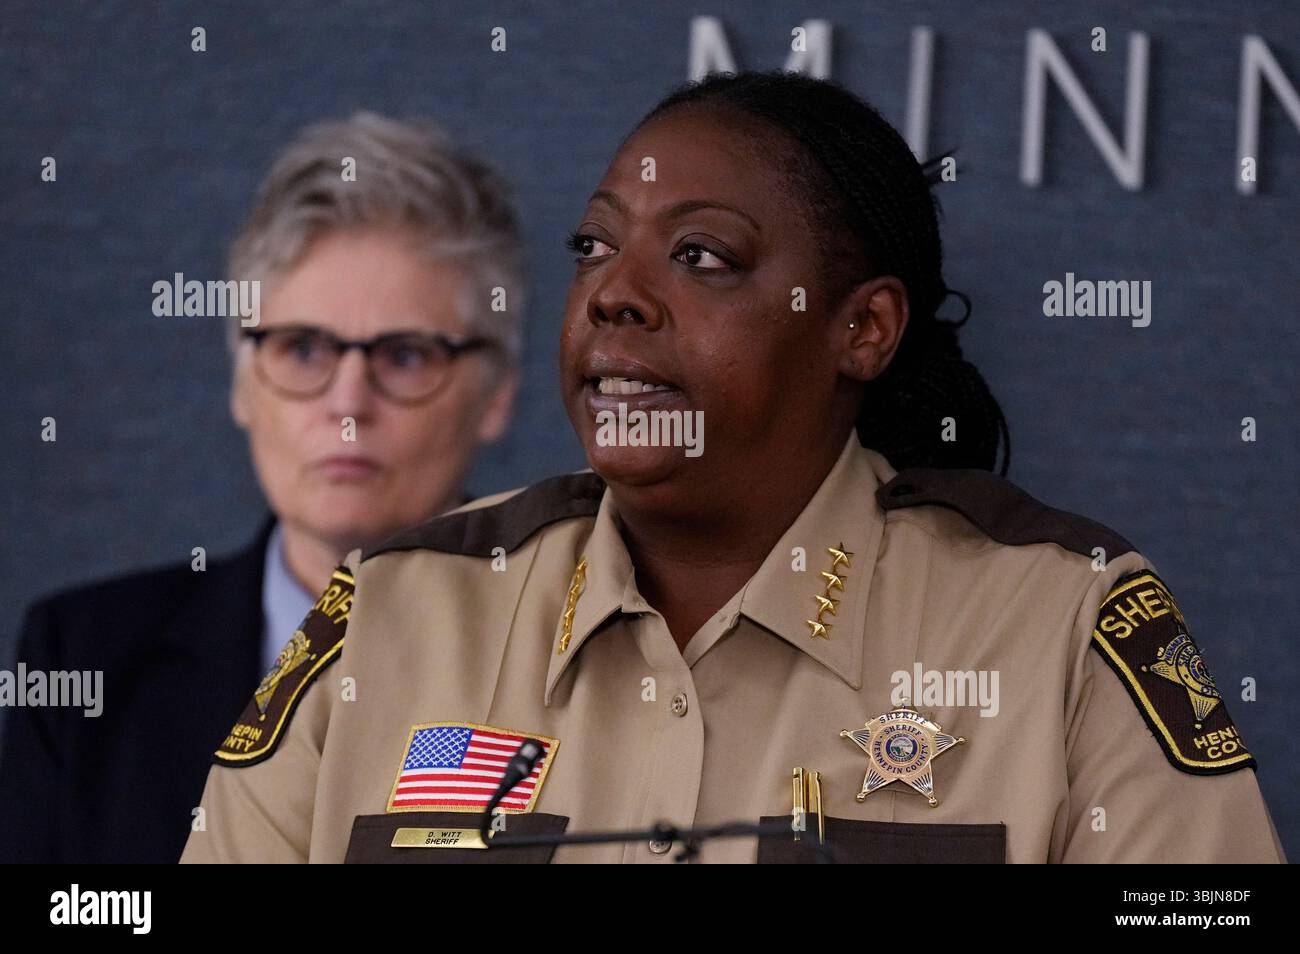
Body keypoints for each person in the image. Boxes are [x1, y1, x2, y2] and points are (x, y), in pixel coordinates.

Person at [181, 72, 1285, 864]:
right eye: (593, 248)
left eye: (700, 255)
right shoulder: (388, 613)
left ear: (862, 329)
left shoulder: (1063, 628)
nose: (615, 291)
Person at [0, 112, 523, 863]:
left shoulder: (588, 662)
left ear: (497, 392)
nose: (347, 402)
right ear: (244, 384)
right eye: (303, 348)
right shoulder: (83, 662)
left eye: (405, 356)